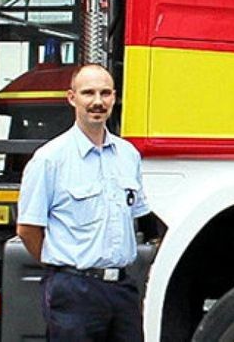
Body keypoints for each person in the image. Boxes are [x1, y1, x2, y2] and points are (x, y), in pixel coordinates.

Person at [16, 64, 152, 341]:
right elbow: (28, 229)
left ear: (114, 97)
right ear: (71, 98)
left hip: (122, 290)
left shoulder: (129, 156)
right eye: (88, 93)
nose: (97, 102)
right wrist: (60, 268)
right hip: (74, 291)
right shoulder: (49, 159)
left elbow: (139, 215)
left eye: (105, 93)